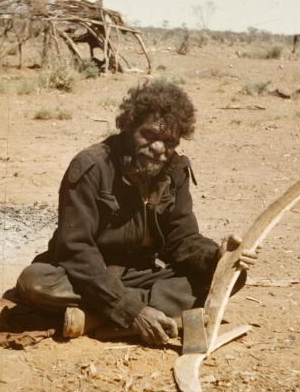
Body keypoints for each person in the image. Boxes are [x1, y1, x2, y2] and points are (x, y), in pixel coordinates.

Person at [16, 79, 258, 345]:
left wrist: (217, 256)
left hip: (140, 275)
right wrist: (134, 311)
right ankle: (140, 315)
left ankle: (95, 317)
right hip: (90, 273)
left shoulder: (174, 171)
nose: (158, 148)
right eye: (150, 135)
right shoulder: (91, 166)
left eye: (169, 141)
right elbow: (76, 250)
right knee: (35, 282)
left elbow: (183, 239)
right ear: (129, 125)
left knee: (231, 276)